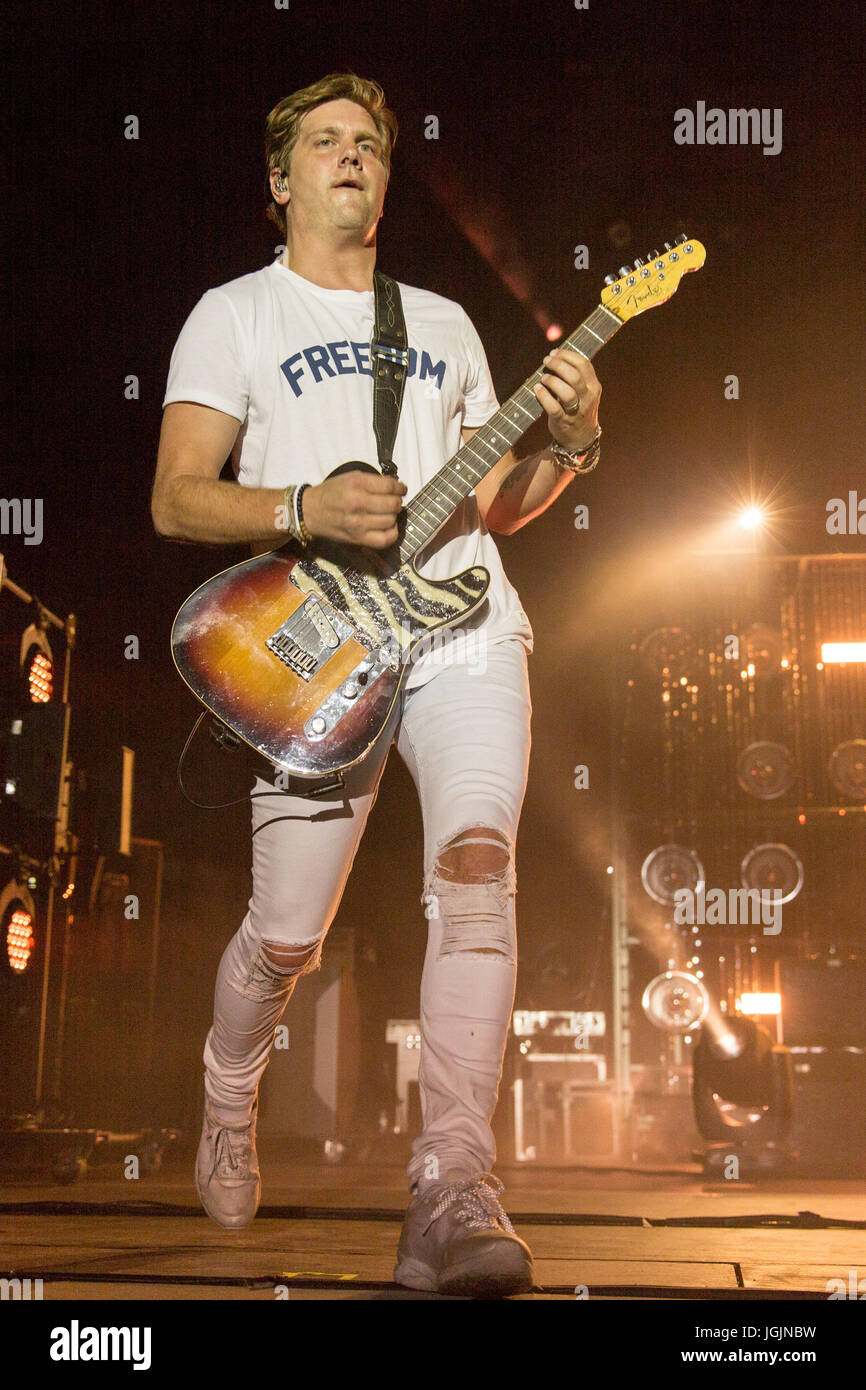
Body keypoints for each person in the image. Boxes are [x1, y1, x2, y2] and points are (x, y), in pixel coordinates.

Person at [151, 71, 601, 1298]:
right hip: (320, 647)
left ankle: (450, 1187)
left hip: (463, 626)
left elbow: (495, 504)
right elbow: (177, 494)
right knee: (288, 934)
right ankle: (229, 1086)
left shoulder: (446, 323)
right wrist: (301, 506)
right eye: (326, 142)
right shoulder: (232, 313)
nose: (352, 156)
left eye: (371, 146)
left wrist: (567, 441)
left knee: (475, 868)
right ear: (280, 178)